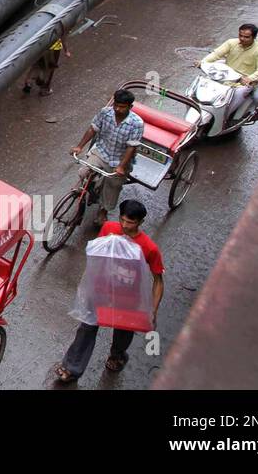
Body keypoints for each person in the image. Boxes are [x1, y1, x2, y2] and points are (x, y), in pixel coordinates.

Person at [55, 199, 164, 384]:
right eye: (122, 220)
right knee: (87, 328)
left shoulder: (149, 248)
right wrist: (86, 286)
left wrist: (153, 310)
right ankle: (72, 367)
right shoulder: (108, 229)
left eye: (131, 222)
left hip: (128, 298)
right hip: (101, 292)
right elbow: (95, 258)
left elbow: (158, 281)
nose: (125, 226)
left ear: (140, 223)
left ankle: (118, 355)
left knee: (123, 332)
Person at [69, 89, 144, 227]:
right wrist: (79, 147)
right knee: (83, 172)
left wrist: (121, 166)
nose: (117, 109)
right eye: (116, 105)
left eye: (122, 107)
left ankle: (103, 211)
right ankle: (88, 192)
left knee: (113, 186)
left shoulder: (137, 123)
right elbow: (93, 129)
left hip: (120, 159)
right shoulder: (105, 112)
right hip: (101, 151)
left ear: (130, 107)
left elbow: (131, 147)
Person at [200, 23, 258, 123]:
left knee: (228, 106)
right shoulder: (231, 43)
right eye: (240, 35)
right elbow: (216, 54)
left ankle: (225, 120)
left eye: (246, 37)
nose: (242, 38)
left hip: (243, 83)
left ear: (253, 37)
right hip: (225, 76)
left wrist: (249, 78)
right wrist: (203, 62)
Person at [22, 30, 71, 96]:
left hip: (41, 46)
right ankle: (44, 89)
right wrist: (66, 50)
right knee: (49, 69)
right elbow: (63, 36)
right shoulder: (59, 23)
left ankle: (28, 82)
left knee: (37, 65)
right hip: (53, 49)